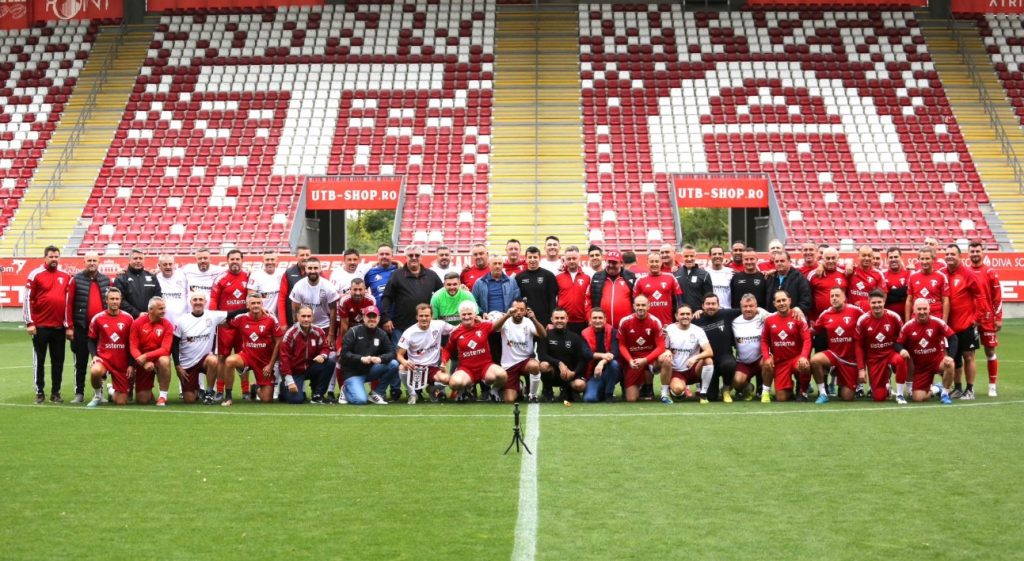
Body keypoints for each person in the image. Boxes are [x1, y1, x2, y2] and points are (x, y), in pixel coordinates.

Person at [173, 291, 241, 405]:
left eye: (200, 300)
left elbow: (233, 313)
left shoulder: (212, 315)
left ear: (205, 302)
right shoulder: (181, 321)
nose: (198, 302)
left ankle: (209, 393)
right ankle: (196, 389)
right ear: (190, 302)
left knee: (213, 360)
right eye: (195, 300)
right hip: (187, 364)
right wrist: (177, 366)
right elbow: (174, 344)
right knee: (189, 399)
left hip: (204, 360)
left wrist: (251, 309)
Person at [25, 245, 71, 404]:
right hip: (40, 327)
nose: (54, 259)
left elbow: (68, 302)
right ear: (45, 257)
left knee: (58, 362)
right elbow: (27, 299)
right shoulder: (35, 274)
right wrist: (29, 322)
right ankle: (39, 392)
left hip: (59, 327)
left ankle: (56, 393)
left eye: (56, 256)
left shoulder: (65, 276)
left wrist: (68, 325)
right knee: (40, 361)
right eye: (51, 256)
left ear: (59, 258)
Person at [439, 301, 507, 401]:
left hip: (486, 367)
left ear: (475, 314)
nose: (467, 317)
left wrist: (507, 315)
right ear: (460, 316)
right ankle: (464, 390)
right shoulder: (455, 332)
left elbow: (496, 326)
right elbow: (447, 350)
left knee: (502, 375)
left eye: (470, 314)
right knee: (454, 383)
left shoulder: (484, 326)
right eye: (464, 314)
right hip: (466, 369)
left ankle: (494, 391)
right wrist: (443, 362)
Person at [65, 251, 110, 404]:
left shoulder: (106, 280)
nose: (92, 263)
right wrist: (69, 327)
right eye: (89, 260)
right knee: (81, 362)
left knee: (101, 363)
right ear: (84, 262)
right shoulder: (75, 280)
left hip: (101, 330)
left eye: (94, 260)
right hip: (81, 328)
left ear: (99, 262)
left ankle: (100, 393)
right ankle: (79, 393)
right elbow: (68, 304)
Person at [223, 294, 284, 406]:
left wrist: (270, 365)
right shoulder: (241, 318)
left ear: (262, 304)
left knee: (267, 400)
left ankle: (255, 388)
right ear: (248, 305)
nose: (255, 305)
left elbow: (279, 342)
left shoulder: (271, 319)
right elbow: (224, 322)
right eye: (252, 303)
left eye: (258, 303)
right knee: (229, 361)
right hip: (247, 356)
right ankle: (228, 397)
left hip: (264, 361)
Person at [810, 288, 864, 403]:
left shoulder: (856, 311)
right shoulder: (825, 314)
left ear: (844, 298)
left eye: (837, 295)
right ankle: (823, 393)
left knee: (847, 397)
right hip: (833, 354)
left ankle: (841, 382)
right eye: (832, 296)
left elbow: (868, 323)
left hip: (850, 359)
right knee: (815, 360)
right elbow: (813, 331)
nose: (834, 298)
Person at [943, 244, 983, 400]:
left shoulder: (968, 274)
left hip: (966, 324)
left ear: (960, 256)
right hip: (950, 327)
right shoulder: (943, 274)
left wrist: (977, 318)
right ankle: (958, 388)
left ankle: (970, 389)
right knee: (955, 358)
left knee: (969, 357)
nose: (950, 256)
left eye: (953, 253)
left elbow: (980, 296)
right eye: (947, 254)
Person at [380, 245, 443, 344]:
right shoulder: (397, 275)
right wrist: (385, 318)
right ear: (405, 257)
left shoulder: (431, 275)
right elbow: (387, 297)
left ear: (421, 257)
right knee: (399, 356)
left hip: (425, 326)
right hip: (401, 326)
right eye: (411, 255)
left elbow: (442, 294)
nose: (414, 257)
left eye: (417, 255)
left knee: (422, 356)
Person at [210, 249, 251, 400]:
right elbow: (214, 299)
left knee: (243, 357)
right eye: (232, 259)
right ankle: (220, 391)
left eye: (237, 259)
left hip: (243, 325)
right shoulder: (220, 278)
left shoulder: (249, 276)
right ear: (227, 261)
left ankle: (245, 391)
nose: (235, 262)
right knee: (222, 357)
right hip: (225, 325)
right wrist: (215, 319)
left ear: (242, 260)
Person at [854, 290, 908, 404]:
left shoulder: (894, 317)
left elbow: (902, 337)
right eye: (874, 303)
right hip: (874, 359)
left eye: (879, 302)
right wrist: (861, 369)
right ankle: (886, 384)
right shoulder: (863, 320)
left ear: (884, 302)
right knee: (879, 397)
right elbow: (858, 346)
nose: (877, 305)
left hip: (890, 353)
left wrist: (902, 350)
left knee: (900, 360)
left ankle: (899, 394)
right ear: (869, 303)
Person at [898, 298, 956, 404]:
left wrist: (950, 356)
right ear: (914, 310)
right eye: (919, 309)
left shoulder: (937, 322)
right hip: (921, 368)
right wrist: (901, 350)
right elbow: (898, 343)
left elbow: (953, 338)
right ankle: (936, 389)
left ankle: (945, 393)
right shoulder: (908, 326)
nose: (922, 312)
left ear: (929, 309)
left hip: (937, 361)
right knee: (918, 398)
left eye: (925, 309)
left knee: (950, 364)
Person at [338, 305, 399, 405]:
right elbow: (344, 354)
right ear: (363, 318)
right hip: (353, 372)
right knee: (360, 400)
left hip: (370, 370)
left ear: (378, 318)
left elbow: (392, 353)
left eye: (374, 317)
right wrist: (360, 358)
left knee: (393, 364)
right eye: (368, 316)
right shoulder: (353, 332)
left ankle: (377, 393)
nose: (371, 319)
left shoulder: (382, 334)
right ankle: (346, 389)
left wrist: (380, 359)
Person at [396, 304, 456, 404]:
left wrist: (476, 322)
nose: (424, 318)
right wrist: (405, 362)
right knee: (402, 367)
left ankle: (432, 389)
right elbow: (399, 355)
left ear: (431, 316)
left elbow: (456, 329)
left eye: (427, 316)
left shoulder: (439, 325)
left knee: (446, 379)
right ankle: (412, 394)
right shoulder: (409, 333)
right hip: (416, 368)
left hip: (433, 367)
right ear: (417, 317)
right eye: (421, 316)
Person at [85, 287, 134, 407]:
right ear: (106, 300)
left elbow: (133, 343)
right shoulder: (98, 318)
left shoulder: (128, 318)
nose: (114, 301)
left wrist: (131, 364)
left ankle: (111, 390)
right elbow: (91, 340)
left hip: (121, 363)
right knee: (95, 370)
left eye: (117, 299)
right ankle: (98, 396)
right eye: (112, 299)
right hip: (104, 359)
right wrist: (94, 356)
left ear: (121, 300)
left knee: (121, 402)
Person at [760, 290, 812, 402]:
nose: (781, 303)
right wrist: (766, 356)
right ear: (774, 303)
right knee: (781, 398)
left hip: (796, 358)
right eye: (778, 301)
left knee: (805, 365)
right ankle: (790, 388)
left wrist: (803, 356)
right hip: (780, 362)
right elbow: (764, 340)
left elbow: (807, 339)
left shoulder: (797, 316)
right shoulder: (769, 320)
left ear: (789, 301)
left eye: (784, 300)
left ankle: (803, 391)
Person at [967, 240, 1002, 397]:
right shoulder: (966, 272)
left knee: (990, 351)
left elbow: (997, 297)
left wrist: (998, 317)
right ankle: (970, 387)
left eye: (977, 251)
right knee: (969, 353)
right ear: (968, 253)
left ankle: (992, 386)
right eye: (972, 252)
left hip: (987, 319)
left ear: (983, 253)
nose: (975, 254)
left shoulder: (990, 272)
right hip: (971, 319)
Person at [492, 300, 545, 403]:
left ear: (525, 311)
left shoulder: (528, 322)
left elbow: (543, 335)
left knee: (535, 366)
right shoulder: (505, 321)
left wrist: (533, 319)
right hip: (509, 365)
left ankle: (533, 395)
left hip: (525, 361)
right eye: (516, 309)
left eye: (522, 310)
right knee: (509, 400)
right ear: (511, 309)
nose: (519, 312)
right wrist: (507, 315)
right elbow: (494, 329)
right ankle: (519, 387)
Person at [692, 293, 741, 402]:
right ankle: (711, 390)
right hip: (708, 362)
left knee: (729, 364)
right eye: (708, 304)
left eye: (713, 303)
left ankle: (726, 389)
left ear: (719, 305)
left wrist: (762, 313)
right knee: (711, 397)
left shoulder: (726, 314)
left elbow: (746, 309)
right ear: (702, 306)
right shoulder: (696, 320)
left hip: (725, 357)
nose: (710, 306)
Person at [279, 305, 334, 404]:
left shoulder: (318, 331)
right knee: (296, 400)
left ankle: (317, 395)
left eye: (309, 316)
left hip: (310, 367)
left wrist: (322, 355)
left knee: (329, 363)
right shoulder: (290, 334)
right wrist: (290, 381)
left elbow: (325, 348)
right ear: (297, 317)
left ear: (312, 317)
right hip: (294, 371)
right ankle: (284, 387)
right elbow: (284, 358)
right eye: (303, 316)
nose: (306, 319)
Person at [660, 304, 714, 404]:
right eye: (682, 314)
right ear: (676, 316)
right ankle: (675, 391)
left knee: (708, 360)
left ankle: (703, 393)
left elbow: (709, 351)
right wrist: (666, 350)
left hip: (693, 369)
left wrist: (695, 358)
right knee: (677, 389)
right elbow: (663, 348)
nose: (685, 316)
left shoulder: (698, 330)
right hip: (677, 371)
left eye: (688, 314)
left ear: (692, 315)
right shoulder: (669, 329)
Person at [617, 295, 666, 402]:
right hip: (634, 360)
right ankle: (640, 384)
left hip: (650, 359)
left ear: (648, 306)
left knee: (665, 359)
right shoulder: (625, 321)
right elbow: (622, 345)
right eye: (638, 305)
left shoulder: (655, 321)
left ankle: (656, 389)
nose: (640, 307)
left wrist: (645, 360)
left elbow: (661, 347)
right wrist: (630, 360)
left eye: (643, 305)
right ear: (634, 306)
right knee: (631, 399)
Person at [538, 308, 591, 402]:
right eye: (556, 318)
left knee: (580, 385)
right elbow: (542, 355)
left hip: (569, 374)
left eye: (562, 318)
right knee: (543, 365)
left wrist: (573, 373)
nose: (559, 320)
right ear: (552, 319)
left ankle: (569, 390)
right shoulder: (545, 335)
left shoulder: (575, 337)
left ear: (567, 319)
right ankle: (547, 391)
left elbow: (582, 360)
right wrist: (559, 363)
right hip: (554, 373)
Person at [129, 297, 174, 406]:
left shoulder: (167, 325)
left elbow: (165, 349)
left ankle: (163, 396)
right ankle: (148, 393)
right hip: (143, 361)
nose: (164, 311)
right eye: (160, 309)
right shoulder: (137, 323)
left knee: (164, 360)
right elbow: (133, 347)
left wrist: (146, 356)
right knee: (142, 400)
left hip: (158, 358)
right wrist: (144, 361)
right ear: (151, 310)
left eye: (164, 308)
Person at [289, 257, 339, 349]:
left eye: (315, 268)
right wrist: (297, 328)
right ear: (305, 269)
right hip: (305, 325)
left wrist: (331, 333)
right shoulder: (298, 286)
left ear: (320, 269)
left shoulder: (329, 287)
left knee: (327, 354)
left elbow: (333, 310)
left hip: (324, 325)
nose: (313, 271)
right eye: (310, 268)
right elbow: (295, 310)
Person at [730, 294, 769, 401]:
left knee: (768, 363)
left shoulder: (763, 318)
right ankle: (747, 386)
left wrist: (796, 309)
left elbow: (779, 315)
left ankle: (765, 391)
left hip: (760, 359)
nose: (748, 309)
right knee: (737, 382)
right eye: (745, 306)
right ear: (741, 307)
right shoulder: (734, 322)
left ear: (756, 306)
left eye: (751, 306)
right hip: (743, 362)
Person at [580, 307, 622, 402]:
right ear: (590, 320)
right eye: (594, 318)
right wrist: (603, 355)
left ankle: (609, 394)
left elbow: (615, 352)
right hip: (594, 375)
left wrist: (602, 362)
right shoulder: (584, 333)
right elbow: (586, 353)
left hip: (611, 371)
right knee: (590, 399)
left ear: (605, 319)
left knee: (614, 364)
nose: (597, 320)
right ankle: (601, 390)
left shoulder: (613, 332)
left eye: (600, 318)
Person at [633, 251, 682, 327]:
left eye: (657, 261)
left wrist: (678, 319)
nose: (654, 264)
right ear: (647, 263)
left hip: (667, 324)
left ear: (661, 263)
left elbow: (678, 301)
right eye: (651, 261)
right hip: (646, 324)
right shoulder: (640, 280)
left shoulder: (670, 277)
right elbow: (635, 305)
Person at [590, 250, 635, 327]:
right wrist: (590, 318)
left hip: (625, 326)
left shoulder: (630, 277)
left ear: (621, 263)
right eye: (609, 262)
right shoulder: (596, 277)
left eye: (614, 262)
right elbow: (589, 299)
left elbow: (635, 299)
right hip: (602, 326)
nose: (611, 265)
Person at [516, 246, 559, 327]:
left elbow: (552, 300)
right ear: (526, 259)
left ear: (539, 258)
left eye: (535, 257)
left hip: (544, 320)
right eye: (530, 257)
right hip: (525, 320)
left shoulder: (548, 276)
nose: (532, 260)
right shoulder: (519, 277)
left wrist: (551, 321)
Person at [114, 249, 162, 318]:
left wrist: (149, 312)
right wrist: (137, 314)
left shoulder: (152, 277)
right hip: (129, 319)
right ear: (129, 260)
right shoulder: (121, 278)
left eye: (140, 258)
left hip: (150, 318)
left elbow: (158, 297)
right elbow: (120, 300)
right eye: (135, 258)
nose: (138, 261)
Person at [906, 246, 949, 321]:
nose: (924, 261)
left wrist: (944, 321)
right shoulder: (913, 277)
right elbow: (909, 300)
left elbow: (945, 301)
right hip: (917, 319)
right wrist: (907, 321)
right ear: (919, 260)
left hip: (936, 318)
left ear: (933, 259)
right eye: (922, 259)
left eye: (927, 259)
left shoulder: (941, 276)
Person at [807, 247, 848, 326]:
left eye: (833, 258)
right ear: (822, 260)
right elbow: (808, 297)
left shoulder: (844, 273)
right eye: (828, 258)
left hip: (841, 319)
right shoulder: (813, 275)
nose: (830, 261)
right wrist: (811, 318)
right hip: (819, 320)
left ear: (838, 259)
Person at [765, 251, 812, 319]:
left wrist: (800, 308)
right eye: (777, 261)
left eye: (782, 261)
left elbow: (807, 299)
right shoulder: (770, 278)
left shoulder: (800, 278)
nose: (779, 263)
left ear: (789, 262)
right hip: (773, 319)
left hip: (793, 318)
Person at [556, 245, 591, 334]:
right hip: (563, 321)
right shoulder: (558, 277)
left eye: (574, 258)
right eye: (569, 259)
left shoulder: (587, 277)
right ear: (565, 260)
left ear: (579, 258)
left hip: (582, 322)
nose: (571, 261)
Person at [277, 245, 311, 326]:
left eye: (307, 255)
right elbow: (282, 298)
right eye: (302, 255)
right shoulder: (288, 273)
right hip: (292, 319)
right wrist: (282, 322)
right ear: (296, 256)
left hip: (312, 318)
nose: (305, 257)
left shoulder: (317, 272)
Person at [674, 244, 713, 312]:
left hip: (698, 316)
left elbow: (709, 298)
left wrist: (702, 311)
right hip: (681, 316)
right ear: (682, 257)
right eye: (686, 256)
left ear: (695, 257)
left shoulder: (704, 274)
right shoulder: (675, 274)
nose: (689, 259)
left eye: (691, 256)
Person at [846, 245, 884, 311]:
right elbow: (833, 265)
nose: (866, 258)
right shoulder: (851, 269)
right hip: (851, 312)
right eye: (863, 255)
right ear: (858, 256)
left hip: (869, 312)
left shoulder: (878, 274)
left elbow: (882, 296)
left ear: (872, 257)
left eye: (869, 256)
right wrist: (821, 264)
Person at [246, 251, 282, 319]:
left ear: (277, 260)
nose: (270, 262)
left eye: (272, 259)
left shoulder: (282, 273)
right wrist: (261, 309)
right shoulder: (255, 275)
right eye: (267, 260)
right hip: (262, 314)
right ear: (263, 260)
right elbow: (250, 296)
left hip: (278, 315)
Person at [155, 255, 189, 326]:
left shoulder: (183, 276)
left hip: (182, 322)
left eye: (170, 264)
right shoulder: (155, 278)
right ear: (159, 265)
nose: (168, 267)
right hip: (163, 322)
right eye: (165, 264)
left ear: (174, 265)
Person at [883, 247, 910, 317]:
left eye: (896, 257)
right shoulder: (882, 275)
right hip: (888, 317)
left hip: (905, 316)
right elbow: (883, 297)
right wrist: (901, 297)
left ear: (901, 258)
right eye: (891, 257)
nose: (893, 259)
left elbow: (907, 293)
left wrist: (889, 293)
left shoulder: (909, 273)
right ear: (887, 259)